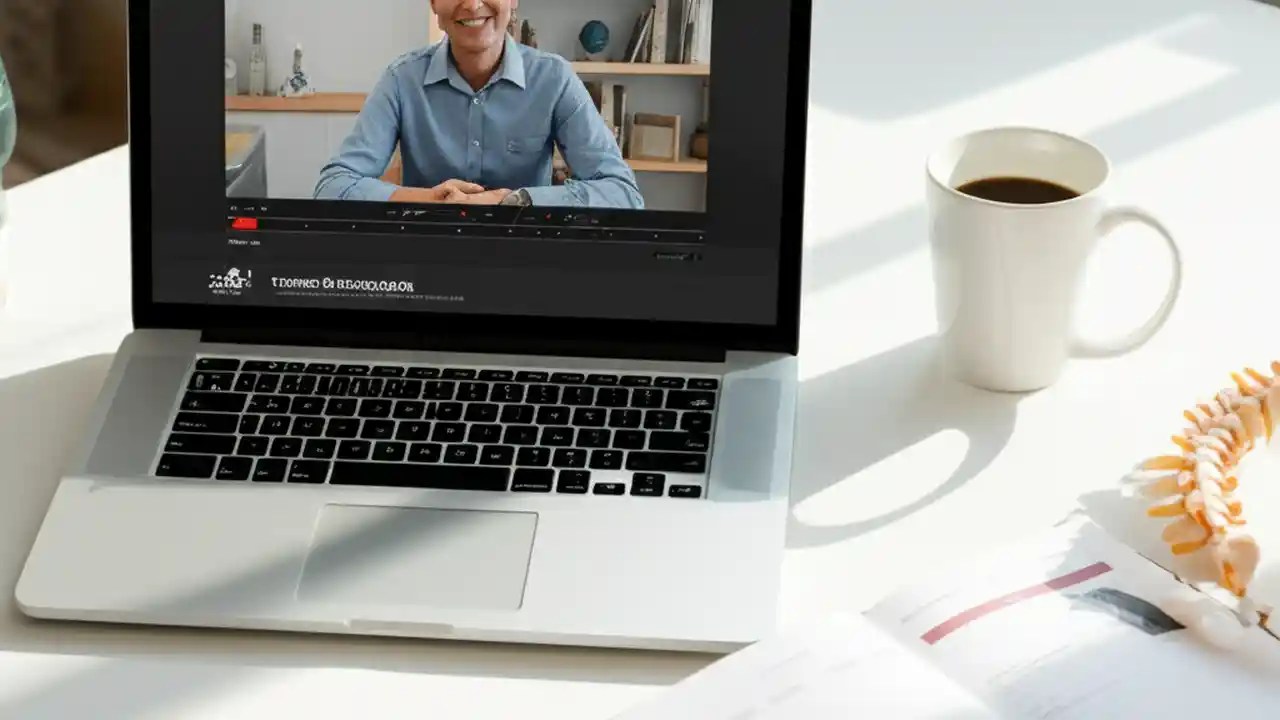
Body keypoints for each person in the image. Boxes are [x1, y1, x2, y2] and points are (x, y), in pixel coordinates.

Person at [314, 0, 644, 209]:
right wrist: (432, 200)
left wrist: (510, 200)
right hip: (427, 260)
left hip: (525, 260)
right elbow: (333, 187)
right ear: (433, 4)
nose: (472, 5)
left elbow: (622, 193)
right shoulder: (402, 79)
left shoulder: (555, 79)